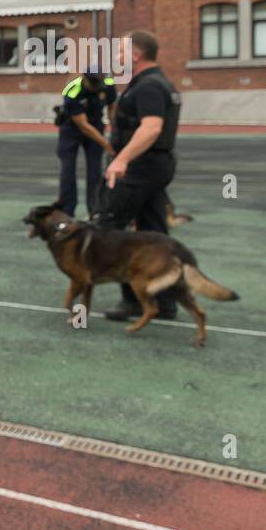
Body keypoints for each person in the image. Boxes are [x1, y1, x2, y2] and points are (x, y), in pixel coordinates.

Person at [98, 30, 182, 322]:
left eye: (121, 52)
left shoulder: (148, 86)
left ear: (136, 55)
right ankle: (164, 302)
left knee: (113, 229)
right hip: (155, 165)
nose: (117, 57)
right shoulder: (154, 83)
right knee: (155, 233)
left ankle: (133, 300)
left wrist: (121, 159)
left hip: (141, 167)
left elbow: (151, 128)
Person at [55, 69, 116, 217]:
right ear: (84, 79)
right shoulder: (73, 90)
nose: (97, 87)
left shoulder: (107, 83)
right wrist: (106, 144)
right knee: (68, 170)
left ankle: (94, 210)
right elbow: (83, 125)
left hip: (95, 125)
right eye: (94, 83)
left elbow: (112, 105)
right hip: (71, 130)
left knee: (95, 172)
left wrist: (114, 131)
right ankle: (67, 211)